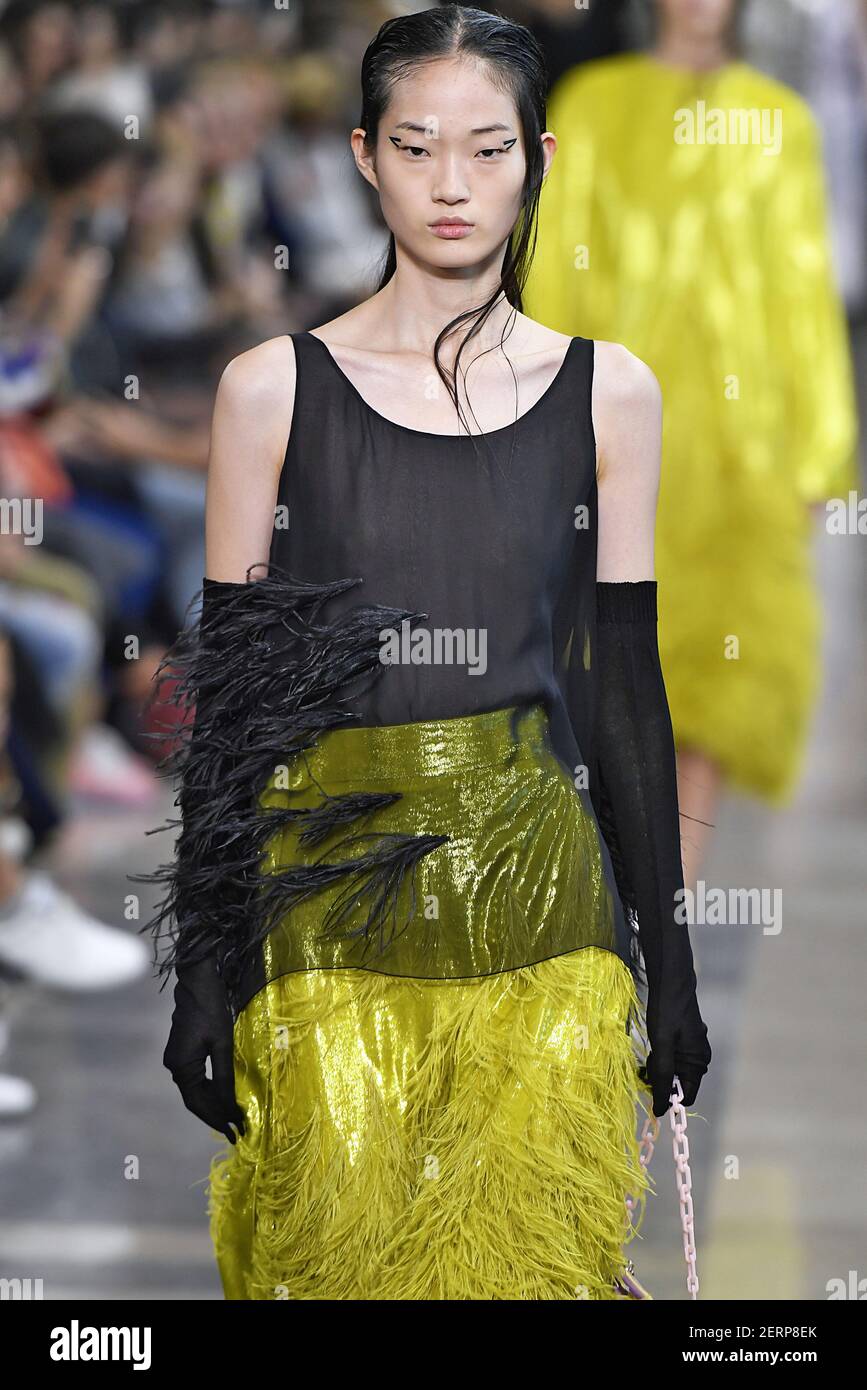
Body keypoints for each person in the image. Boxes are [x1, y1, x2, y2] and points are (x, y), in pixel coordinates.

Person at [142, 4, 711, 1302]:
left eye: (484, 149)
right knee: (340, 1264)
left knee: (530, 1268)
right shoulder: (269, 389)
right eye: (414, 146)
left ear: (536, 160)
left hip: (540, 893)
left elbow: (621, 685)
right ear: (361, 155)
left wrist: (666, 972)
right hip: (329, 891)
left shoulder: (606, 389)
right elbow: (234, 700)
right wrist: (207, 974)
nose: (451, 184)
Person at [523, 0, 860, 886]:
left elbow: (803, 289)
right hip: (614, 431)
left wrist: (822, 447)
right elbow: (555, 261)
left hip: (740, 453)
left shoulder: (781, 122)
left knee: (714, 692)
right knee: (602, 676)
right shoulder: (592, 103)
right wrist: (541, 412)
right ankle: (601, 911)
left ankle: (664, 918)